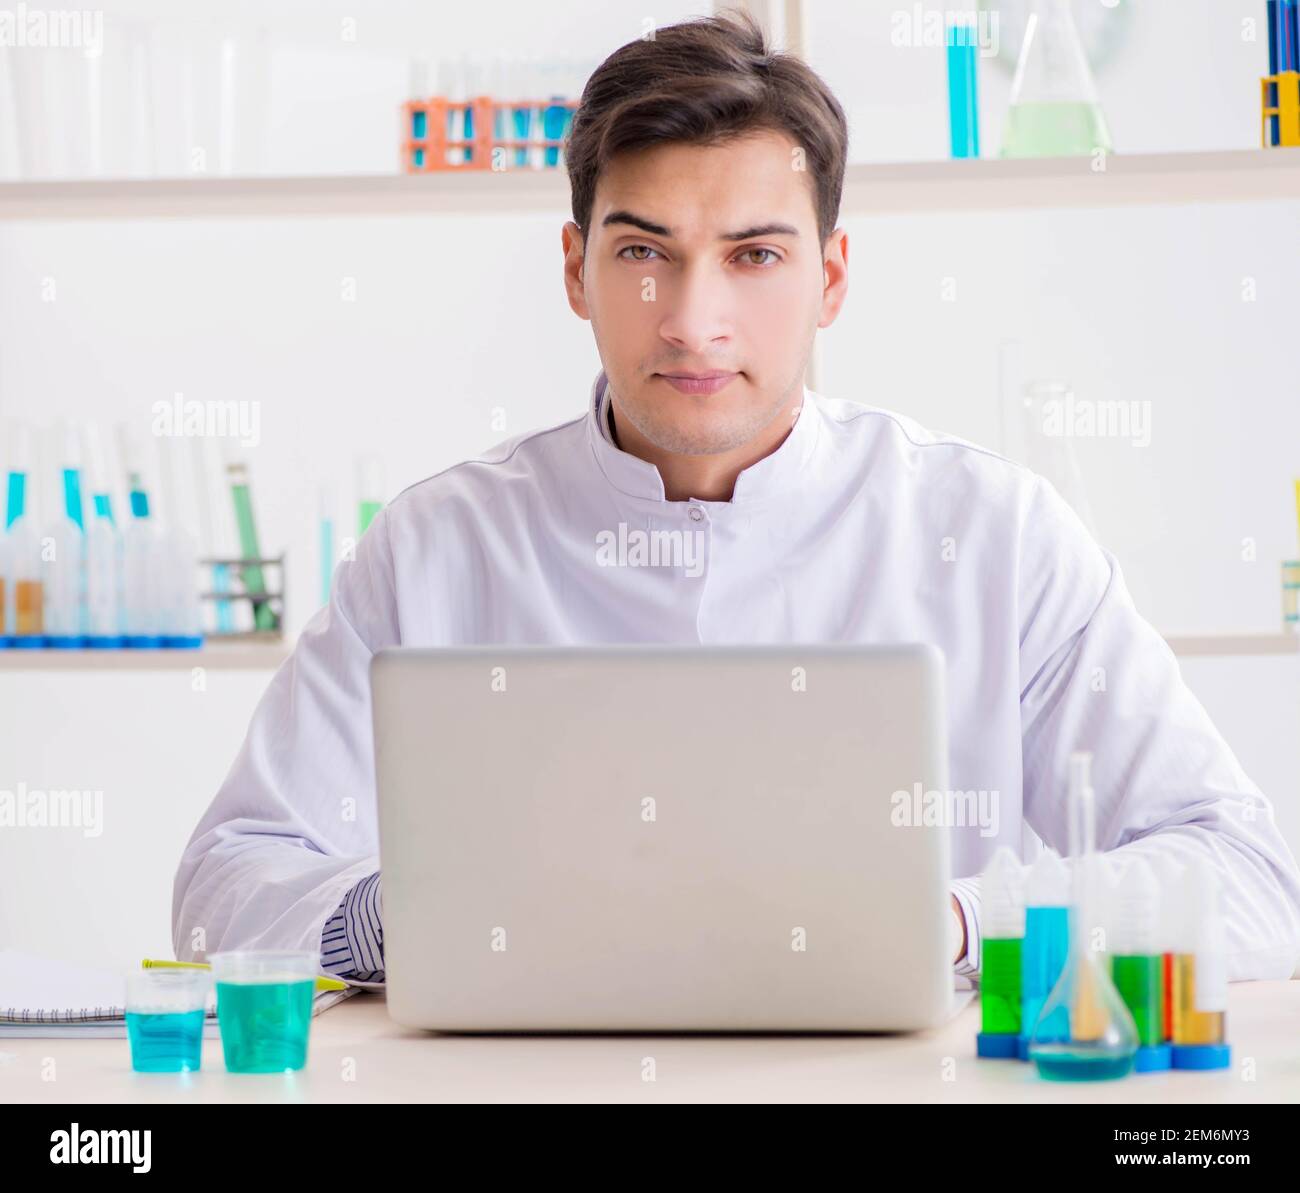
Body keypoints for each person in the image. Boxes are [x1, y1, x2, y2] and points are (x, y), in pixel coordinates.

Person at [173, 12, 1300, 988]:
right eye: (643, 252)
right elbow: (223, 883)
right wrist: (416, 911)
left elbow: (1248, 876)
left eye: (754, 255)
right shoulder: (436, 547)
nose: (692, 319)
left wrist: (953, 922)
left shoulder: (995, 535)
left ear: (832, 275)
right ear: (575, 270)